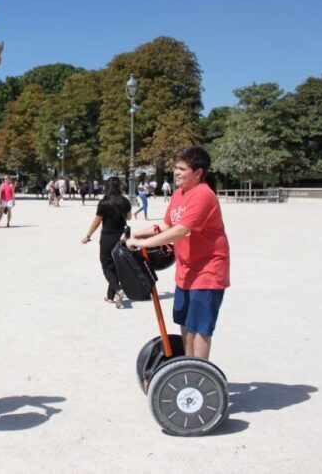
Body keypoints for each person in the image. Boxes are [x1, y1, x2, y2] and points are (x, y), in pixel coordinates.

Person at [126, 146, 230, 360]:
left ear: (198, 172)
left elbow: (182, 230)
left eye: (182, 168)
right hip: (186, 271)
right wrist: (135, 236)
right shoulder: (178, 194)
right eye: (175, 168)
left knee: (199, 328)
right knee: (184, 323)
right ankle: (187, 367)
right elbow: (166, 226)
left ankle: (197, 372)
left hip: (207, 271)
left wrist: (142, 244)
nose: (176, 172)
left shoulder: (203, 195)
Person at [81, 177, 132, 308]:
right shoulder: (125, 201)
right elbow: (129, 217)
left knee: (107, 265)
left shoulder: (104, 202)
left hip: (107, 237)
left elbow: (97, 221)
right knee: (117, 265)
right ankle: (110, 296)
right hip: (122, 237)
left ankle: (118, 289)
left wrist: (88, 235)